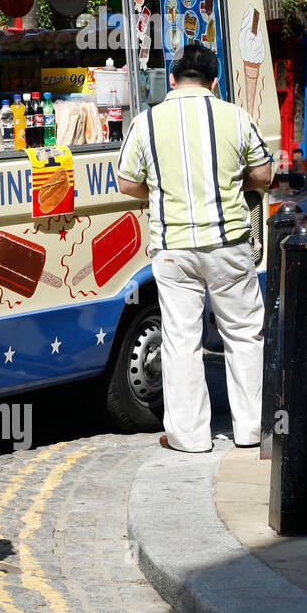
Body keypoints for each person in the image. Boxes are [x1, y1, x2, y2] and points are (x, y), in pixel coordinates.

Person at [116, 41, 273, 452]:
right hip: (229, 244)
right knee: (243, 334)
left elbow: (127, 182)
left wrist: (159, 190)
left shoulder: (146, 122)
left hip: (173, 248)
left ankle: (190, 437)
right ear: (214, 82)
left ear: (172, 79)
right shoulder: (235, 116)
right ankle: (252, 428)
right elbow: (263, 173)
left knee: (181, 339)